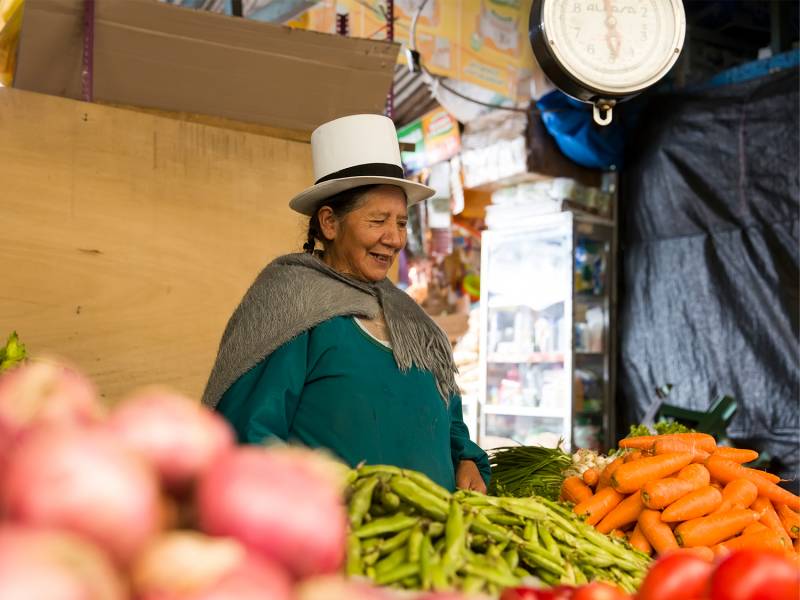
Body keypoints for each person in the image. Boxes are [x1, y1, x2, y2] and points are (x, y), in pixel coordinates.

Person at [202, 114, 489, 492]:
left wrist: (465, 456)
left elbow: (448, 410)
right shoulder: (291, 305)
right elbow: (248, 435)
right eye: (378, 220)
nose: (394, 238)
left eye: (401, 223)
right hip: (337, 542)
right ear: (329, 223)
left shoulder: (409, 317)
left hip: (431, 542)